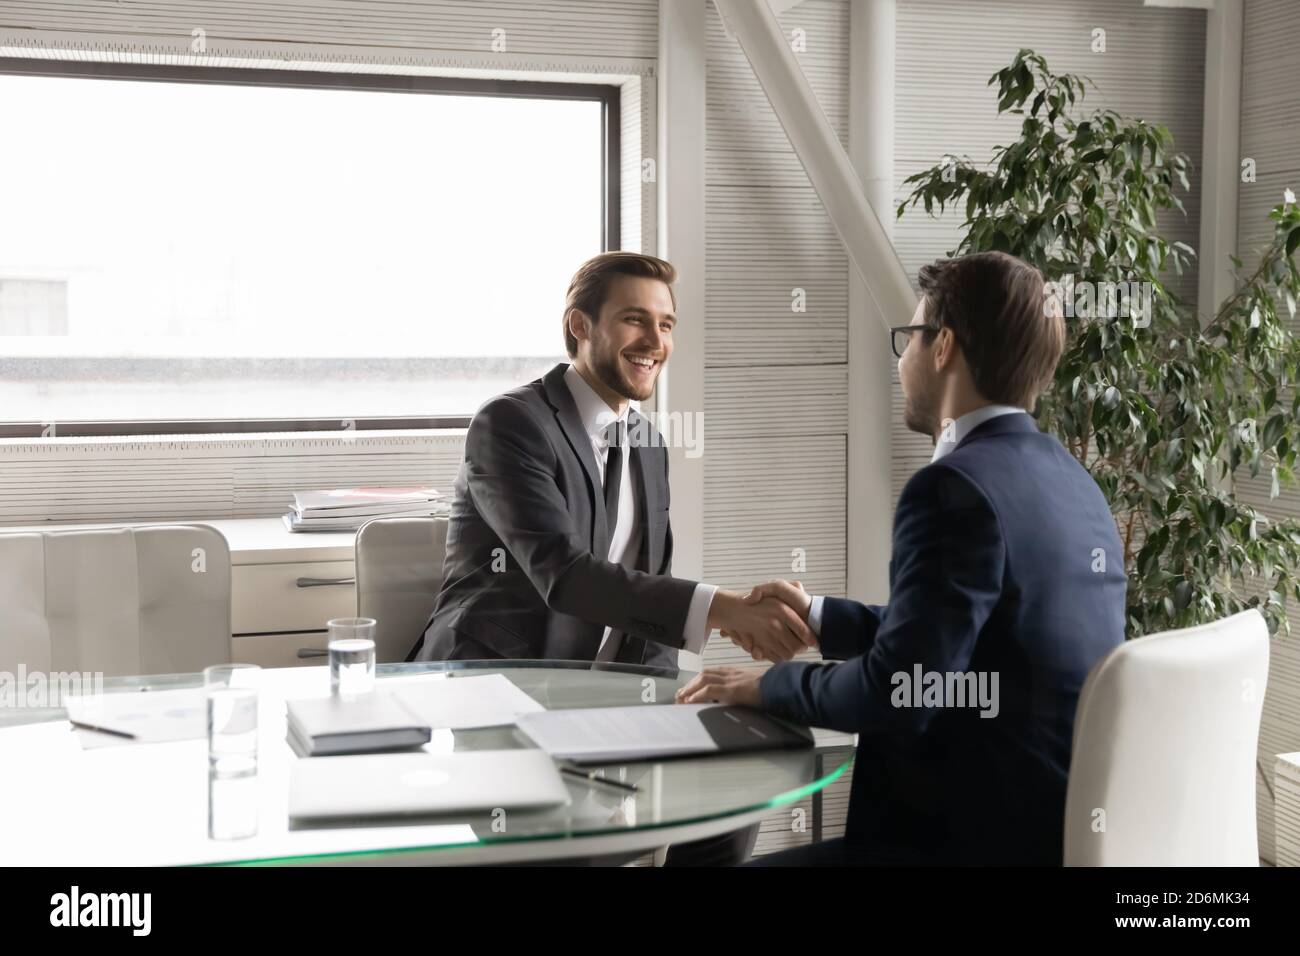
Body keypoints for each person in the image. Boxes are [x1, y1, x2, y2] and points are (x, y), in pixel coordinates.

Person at [679, 251, 1128, 866]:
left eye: (909, 339)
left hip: (951, 841)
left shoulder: (953, 488)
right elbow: (964, 640)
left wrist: (770, 686)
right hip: (1039, 832)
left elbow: (901, 693)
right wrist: (820, 618)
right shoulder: (1074, 482)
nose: (902, 361)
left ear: (943, 347)